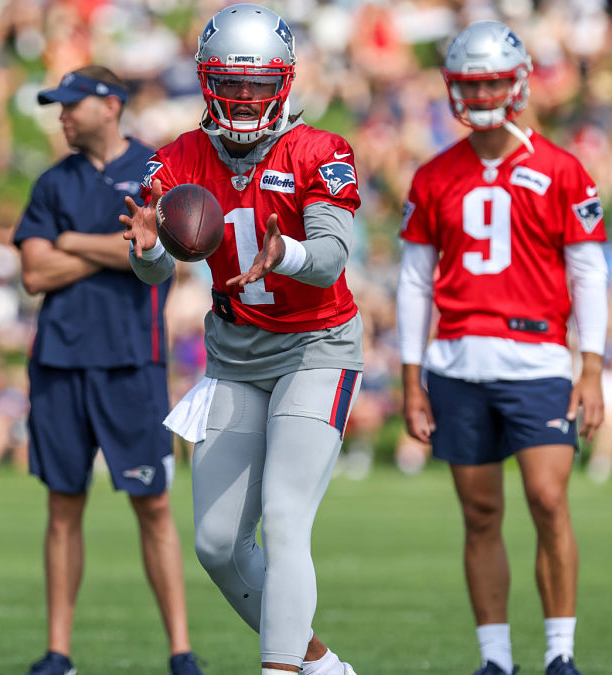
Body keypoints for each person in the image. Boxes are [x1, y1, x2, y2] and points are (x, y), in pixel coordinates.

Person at [122, 6, 362, 674]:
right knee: (218, 544)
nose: (246, 96)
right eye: (232, 82)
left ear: (284, 83)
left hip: (315, 347)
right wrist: (149, 248)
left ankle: (279, 670)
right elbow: (156, 272)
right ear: (207, 81)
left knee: (284, 520)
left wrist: (285, 255)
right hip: (235, 355)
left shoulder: (319, 151)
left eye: (259, 84)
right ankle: (321, 666)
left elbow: (331, 259)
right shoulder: (176, 159)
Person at [396, 21, 608, 675]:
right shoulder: (434, 175)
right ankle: (496, 659)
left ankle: (560, 652)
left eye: (492, 81)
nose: (482, 93)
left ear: (517, 84)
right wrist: (410, 378)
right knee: (481, 513)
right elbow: (413, 281)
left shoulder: (562, 169)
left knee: (548, 498)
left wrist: (592, 367)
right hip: (457, 361)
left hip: (537, 358)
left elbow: (588, 272)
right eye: (471, 83)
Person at [13, 65, 203, 675]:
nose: (63, 115)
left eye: (72, 104)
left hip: (132, 362)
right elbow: (34, 273)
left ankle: (180, 651)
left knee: (153, 505)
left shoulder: (157, 171)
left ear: (111, 105)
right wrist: (114, 250)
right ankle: (58, 653)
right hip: (59, 363)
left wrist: (71, 242)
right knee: (62, 506)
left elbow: (161, 253)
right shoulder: (52, 181)